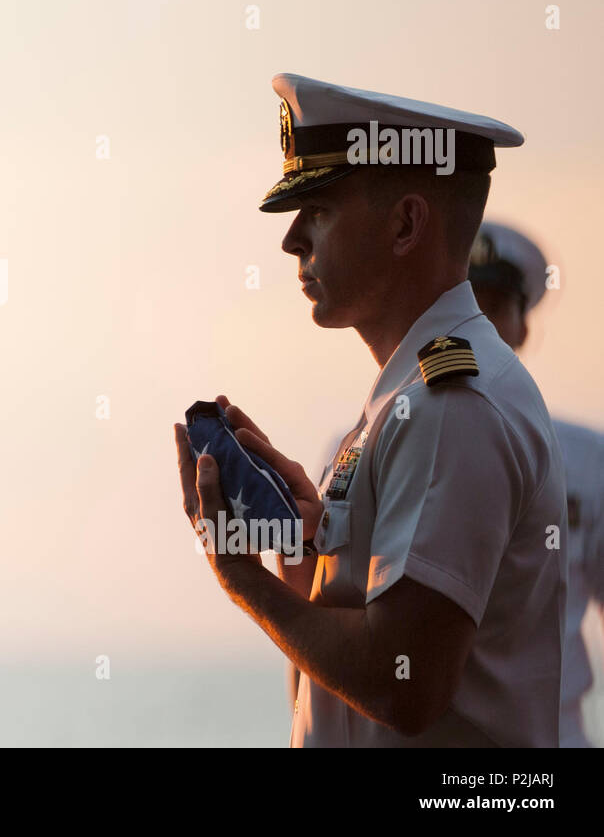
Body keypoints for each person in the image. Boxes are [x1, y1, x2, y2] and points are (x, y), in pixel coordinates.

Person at [175, 73, 566, 747]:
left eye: (319, 210)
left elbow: (402, 682)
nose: (292, 240)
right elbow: (377, 641)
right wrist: (310, 551)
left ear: (407, 223)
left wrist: (243, 583)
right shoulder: (411, 392)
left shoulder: (452, 402)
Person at [469, 220, 604, 747]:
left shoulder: (586, 458)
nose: (473, 326)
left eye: (492, 307)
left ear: (524, 326)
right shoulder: (361, 449)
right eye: (460, 304)